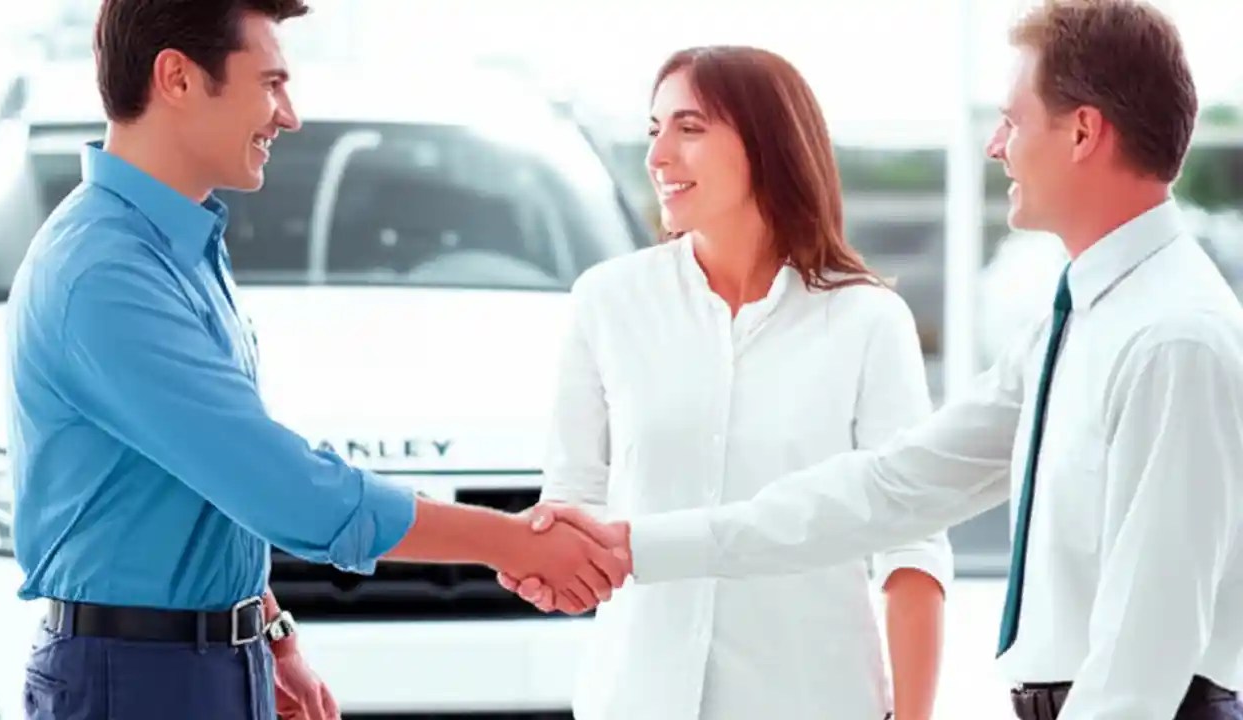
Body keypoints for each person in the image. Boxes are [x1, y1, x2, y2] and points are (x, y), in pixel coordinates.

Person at [508, 2, 1243, 719]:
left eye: (1013, 120)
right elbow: (894, 488)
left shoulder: (1173, 339)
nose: (996, 145)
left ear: (1083, 132)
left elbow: (1146, 654)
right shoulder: (1083, 319)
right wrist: (638, 544)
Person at [6, 2, 624, 719]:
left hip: (195, 662)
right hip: (137, 681)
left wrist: (267, 634)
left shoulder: (175, 246)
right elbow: (282, 488)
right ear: (177, 77)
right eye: (270, 83)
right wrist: (511, 541)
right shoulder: (106, 274)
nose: (287, 115)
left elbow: (207, 483)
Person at [500, 45, 952, 720]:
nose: (658, 157)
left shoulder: (868, 320)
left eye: (689, 128)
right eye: (654, 130)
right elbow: (573, 502)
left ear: (768, 143)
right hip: (636, 700)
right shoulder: (607, 302)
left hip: (813, 702)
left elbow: (910, 539)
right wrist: (548, 563)